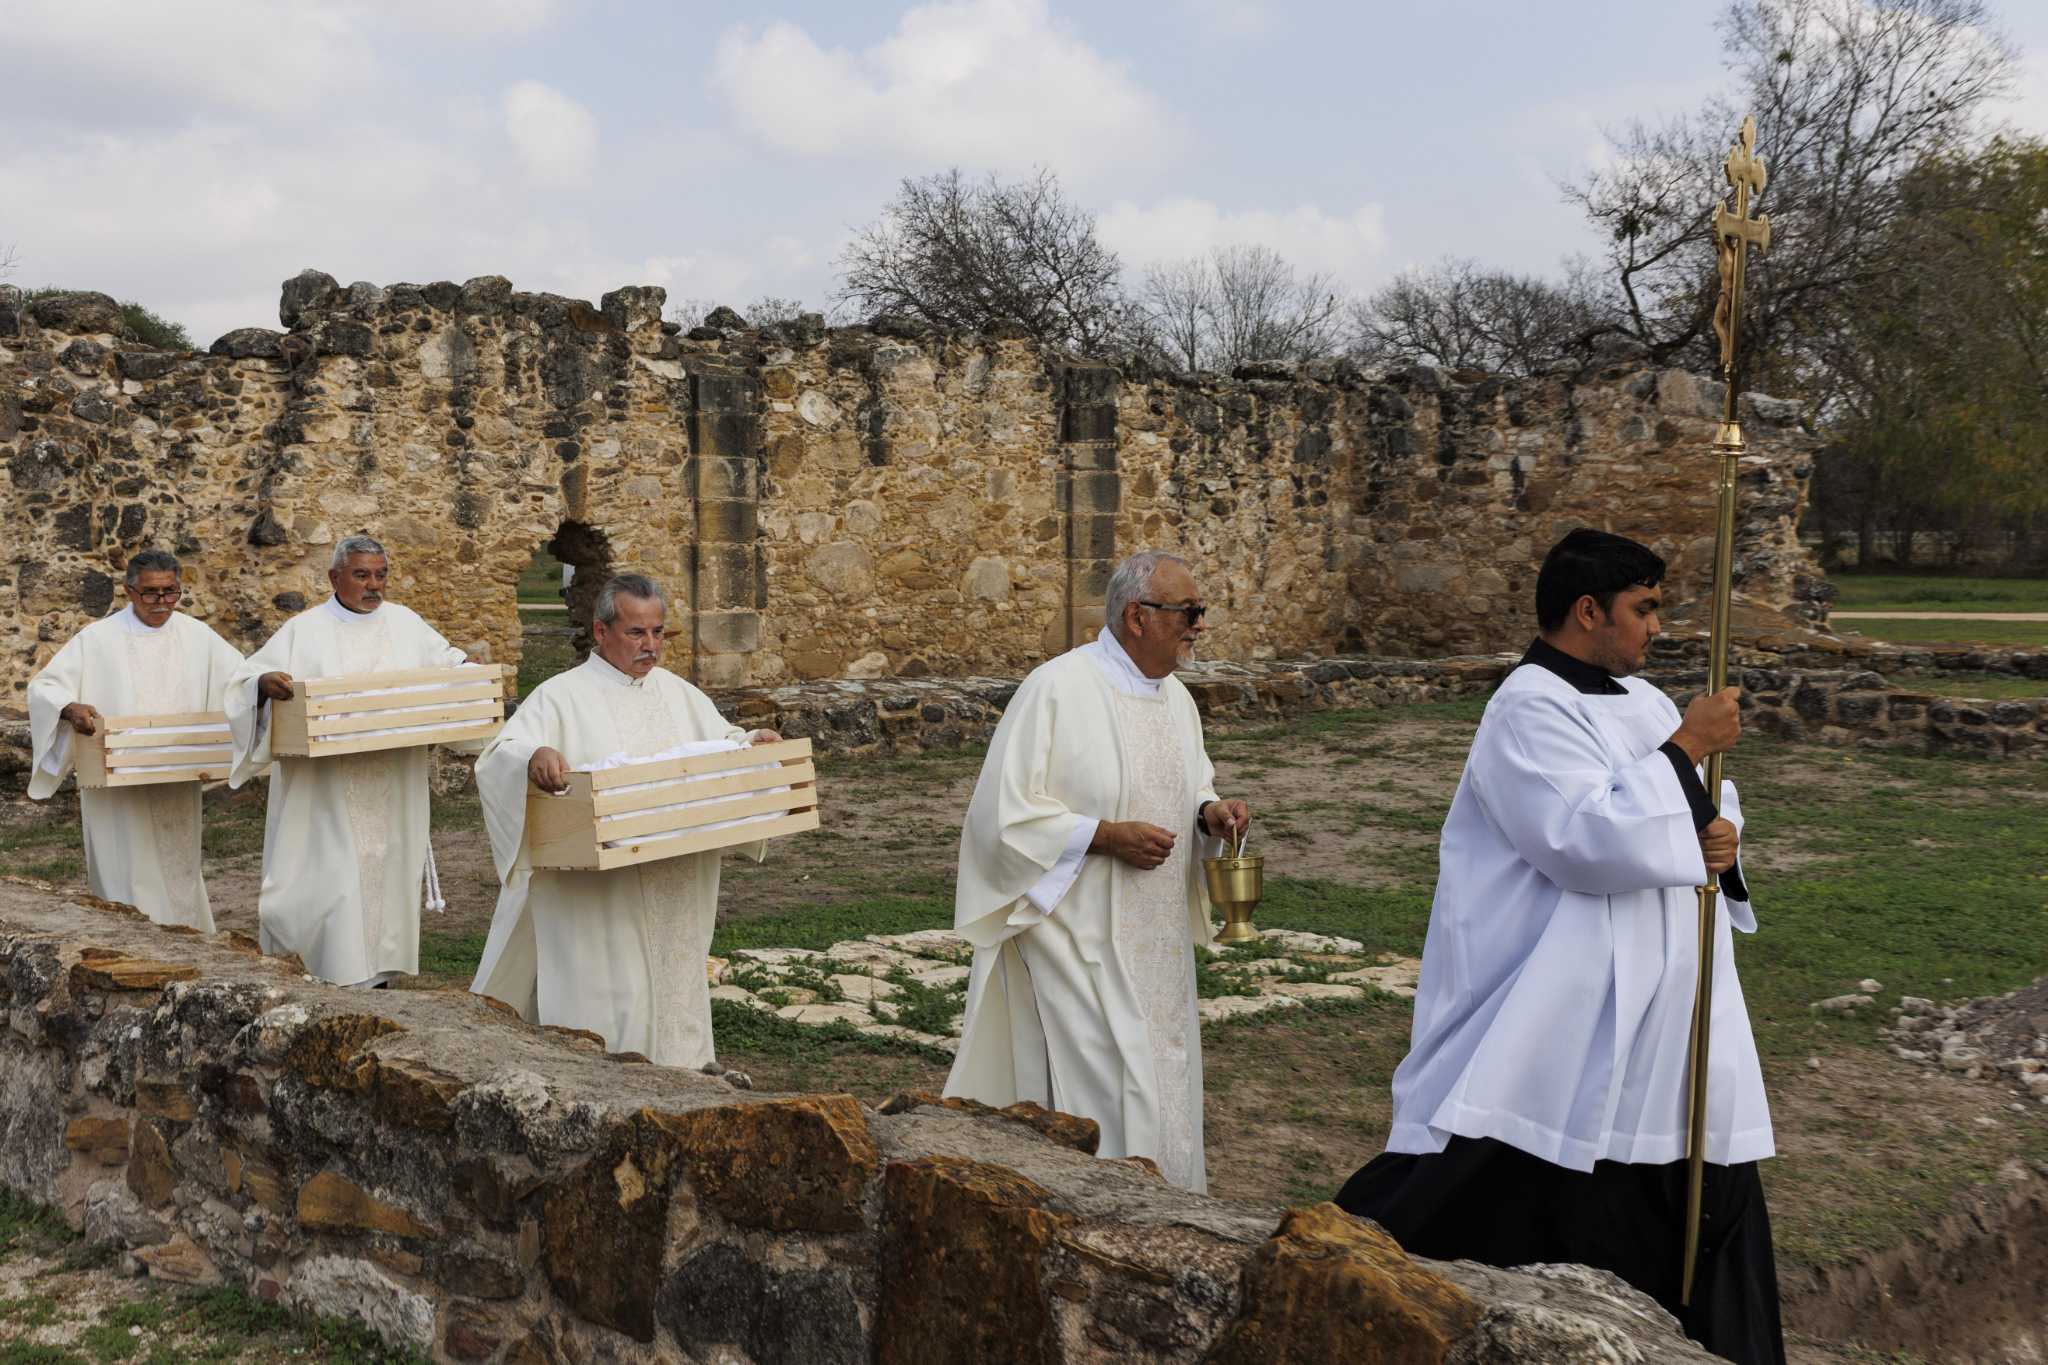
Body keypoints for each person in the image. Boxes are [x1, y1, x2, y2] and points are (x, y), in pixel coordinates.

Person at [1333, 528, 1781, 1365]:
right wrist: (1689, 750)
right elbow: (1582, 838)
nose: (1657, 628)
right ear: (1587, 610)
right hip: (1554, 991)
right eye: (1644, 609)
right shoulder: (1527, 708)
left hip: (1666, 989)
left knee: (1691, 1170)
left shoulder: (1642, 701)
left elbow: (1707, 810)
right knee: (1499, 1174)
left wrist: (1720, 838)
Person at [943, 550, 1250, 1193]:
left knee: (1161, 1076)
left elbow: (1189, 783)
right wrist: (1105, 837)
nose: (1198, 624)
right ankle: (1101, 1221)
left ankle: (1172, 1211)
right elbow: (1001, 816)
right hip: (1074, 937)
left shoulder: (1178, 701)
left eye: (1200, 612)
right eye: (1188, 612)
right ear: (1138, 617)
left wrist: (1209, 815)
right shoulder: (1057, 688)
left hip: (1156, 941)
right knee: (1106, 1091)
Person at [470, 573, 781, 1069]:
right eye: (637, 633)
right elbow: (499, 754)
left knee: (674, 977)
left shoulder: (679, 693)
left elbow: (716, 741)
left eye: (658, 632)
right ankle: (602, 1075)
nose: (651, 646)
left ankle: (685, 1068)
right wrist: (534, 755)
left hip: (673, 873)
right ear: (601, 631)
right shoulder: (559, 696)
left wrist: (749, 744)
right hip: (600, 890)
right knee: (611, 990)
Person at [225, 535, 476, 987]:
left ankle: (376, 975)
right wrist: (263, 685)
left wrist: (473, 679)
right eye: (361, 575)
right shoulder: (305, 629)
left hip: (392, 779)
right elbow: (245, 678)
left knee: (385, 871)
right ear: (334, 578)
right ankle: (326, 970)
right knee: (332, 879)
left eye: (381, 574)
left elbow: (450, 666)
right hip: (327, 788)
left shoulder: (405, 623)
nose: (373, 585)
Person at [26, 550, 244, 930]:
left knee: (177, 862)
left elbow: (241, 681)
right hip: (116, 781)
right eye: (150, 593)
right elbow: (46, 687)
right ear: (129, 591)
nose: (162, 602)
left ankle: (186, 934)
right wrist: (68, 707)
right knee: (124, 865)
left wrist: (262, 684)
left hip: (176, 776)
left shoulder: (197, 636)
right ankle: (126, 937)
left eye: (171, 592)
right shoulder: (97, 639)